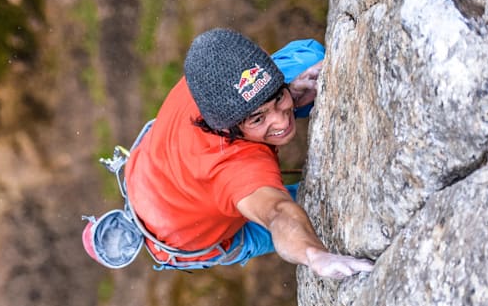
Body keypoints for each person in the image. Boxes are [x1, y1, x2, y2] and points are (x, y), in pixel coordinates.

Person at [83, 28, 373, 279]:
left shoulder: (215, 69)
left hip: (154, 171)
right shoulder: (235, 168)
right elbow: (278, 214)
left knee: (310, 58)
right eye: (258, 119)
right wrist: (315, 256)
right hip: (183, 236)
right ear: (231, 128)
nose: (281, 121)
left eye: (278, 98)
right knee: (314, 206)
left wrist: (292, 91)